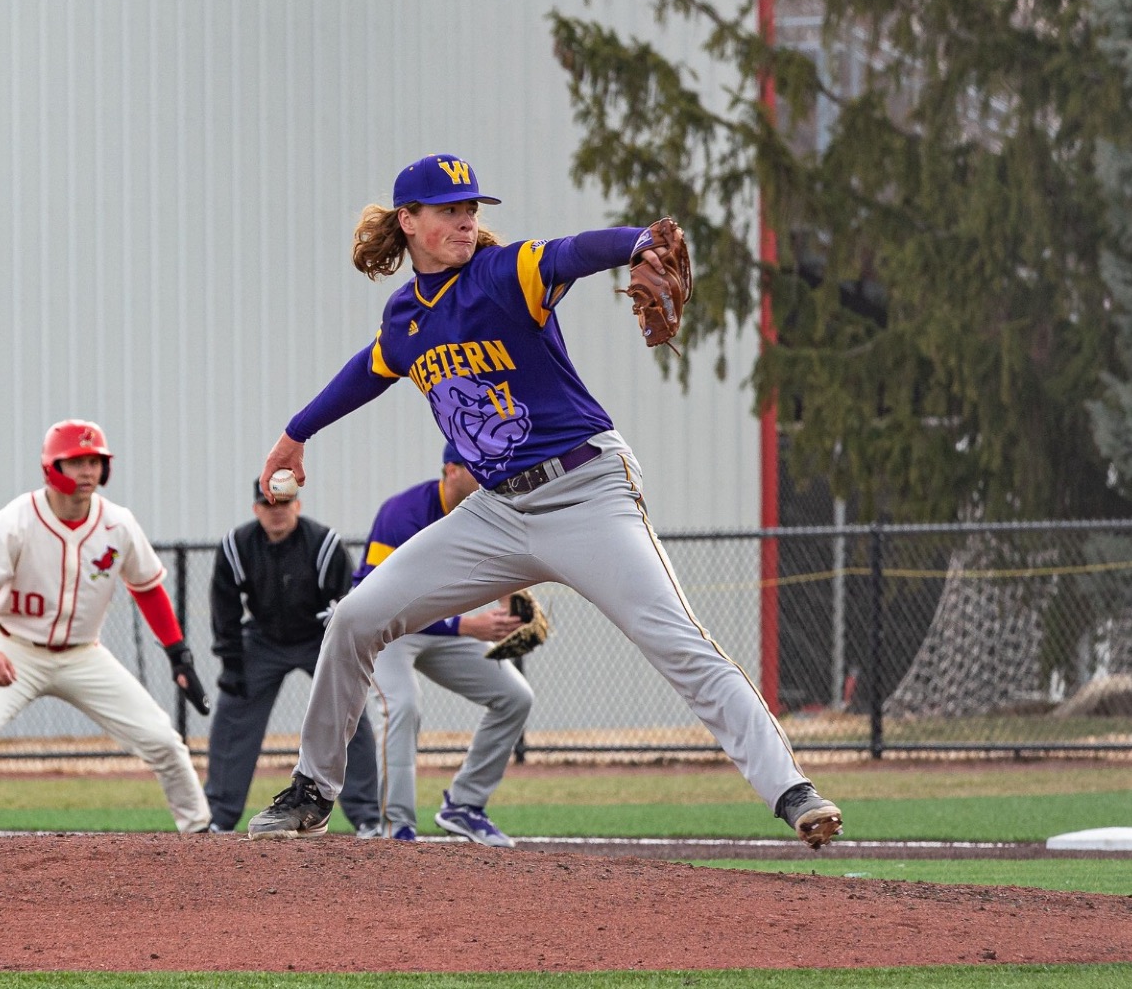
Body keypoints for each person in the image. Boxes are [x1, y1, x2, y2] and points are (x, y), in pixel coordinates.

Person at [246, 153, 842, 848]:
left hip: (588, 492)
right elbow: (368, 370)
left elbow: (572, 253)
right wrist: (295, 435)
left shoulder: (502, 276)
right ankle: (313, 789)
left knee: (676, 640)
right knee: (354, 618)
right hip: (497, 511)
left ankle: (791, 790)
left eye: (471, 207)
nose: (466, 219)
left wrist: (638, 242)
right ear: (408, 222)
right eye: (447, 209)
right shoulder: (407, 317)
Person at [0, 420, 210, 839]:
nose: (87, 471)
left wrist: (178, 654)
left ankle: (199, 831)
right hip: (16, 649)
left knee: (161, 738)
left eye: (95, 461)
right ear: (51, 468)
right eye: (75, 462)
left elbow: (148, 591)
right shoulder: (16, 520)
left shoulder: (118, 524)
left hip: (82, 655)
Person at [362, 444, 534, 847]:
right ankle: (396, 829)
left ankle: (465, 805)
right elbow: (381, 604)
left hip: (445, 629)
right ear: (451, 470)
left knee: (515, 696)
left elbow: (511, 569)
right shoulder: (402, 513)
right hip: (385, 630)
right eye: (479, 468)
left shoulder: (491, 510)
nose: (489, 476)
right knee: (401, 705)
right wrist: (465, 624)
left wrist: (513, 609)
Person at [204, 479, 380, 835]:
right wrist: (231, 661)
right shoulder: (237, 545)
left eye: (284, 504)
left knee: (349, 713)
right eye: (269, 505)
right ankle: (219, 818)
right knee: (232, 713)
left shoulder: (324, 543)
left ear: (297, 505)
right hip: (264, 637)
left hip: (319, 635)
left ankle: (366, 817)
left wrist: (345, 655)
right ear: (257, 509)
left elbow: (344, 603)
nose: (277, 512)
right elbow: (224, 608)